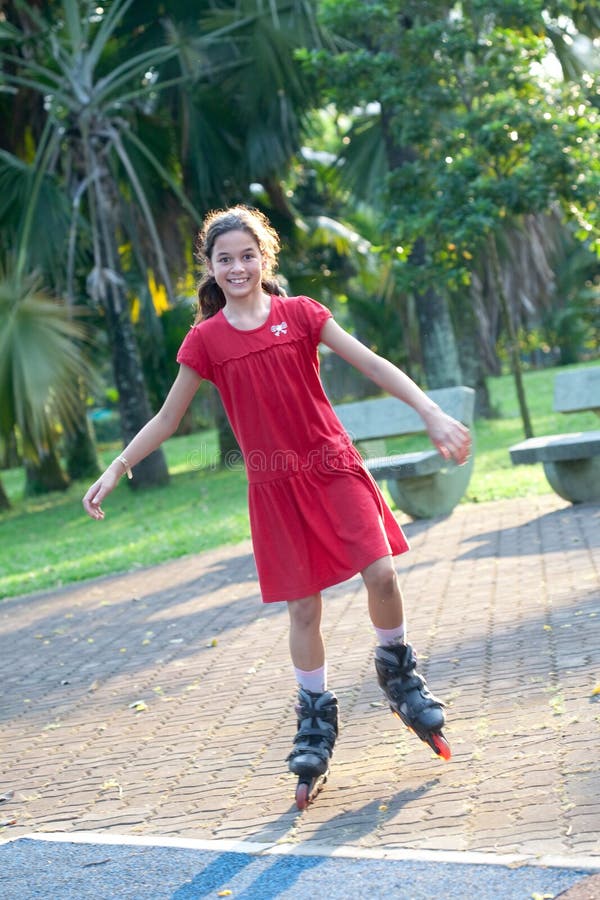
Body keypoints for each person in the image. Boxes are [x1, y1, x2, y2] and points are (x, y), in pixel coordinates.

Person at [83, 205, 471, 808]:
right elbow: (166, 418)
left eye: (247, 255)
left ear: (265, 258)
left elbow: (370, 363)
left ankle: (396, 669)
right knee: (304, 611)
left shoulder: (302, 313)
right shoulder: (205, 341)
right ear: (209, 270)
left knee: (383, 573)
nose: (237, 267)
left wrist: (431, 412)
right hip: (274, 486)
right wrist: (116, 467)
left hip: (332, 465)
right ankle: (315, 716)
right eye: (224, 259)